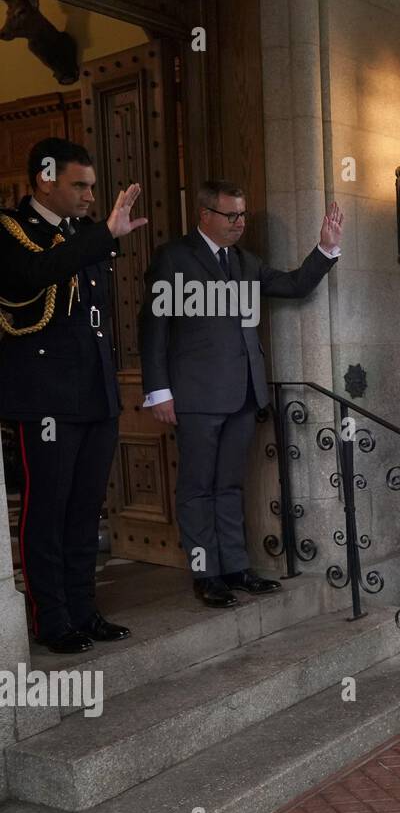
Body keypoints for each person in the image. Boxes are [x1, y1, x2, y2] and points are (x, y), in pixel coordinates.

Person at [138, 180, 343, 608]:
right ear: (205, 215)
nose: (239, 223)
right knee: (198, 488)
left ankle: (235, 567)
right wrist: (158, 391)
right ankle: (205, 573)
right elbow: (153, 327)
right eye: (231, 215)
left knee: (230, 485)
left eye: (243, 215)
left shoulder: (246, 261)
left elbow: (293, 285)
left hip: (243, 394)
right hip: (193, 396)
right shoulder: (174, 258)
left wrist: (325, 250)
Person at [0, 137, 148, 653]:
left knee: (87, 510)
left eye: (91, 185)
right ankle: (52, 618)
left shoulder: (86, 234)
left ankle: (85, 609)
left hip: (95, 394)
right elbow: (36, 274)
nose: (90, 194)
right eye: (78, 185)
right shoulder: (12, 231)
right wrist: (104, 235)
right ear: (46, 178)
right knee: (48, 509)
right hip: (45, 397)